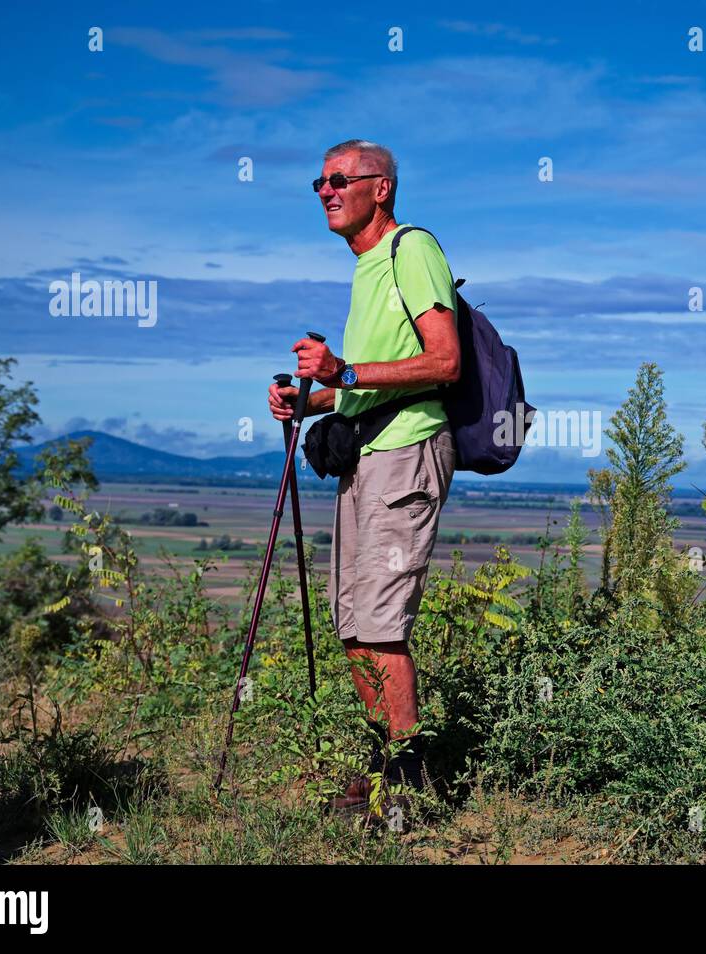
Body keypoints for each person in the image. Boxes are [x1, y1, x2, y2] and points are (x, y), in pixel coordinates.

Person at [268, 139, 460, 815]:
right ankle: (382, 768)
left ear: (380, 188)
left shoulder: (413, 250)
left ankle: (406, 788)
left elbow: (444, 363)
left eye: (339, 179)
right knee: (353, 622)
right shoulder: (366, 268)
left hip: (406, 453)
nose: (325, 190)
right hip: (368, 456)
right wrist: (312, 398)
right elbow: (365, 383)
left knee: (380, 624)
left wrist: (342, 372)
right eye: (318, 181)